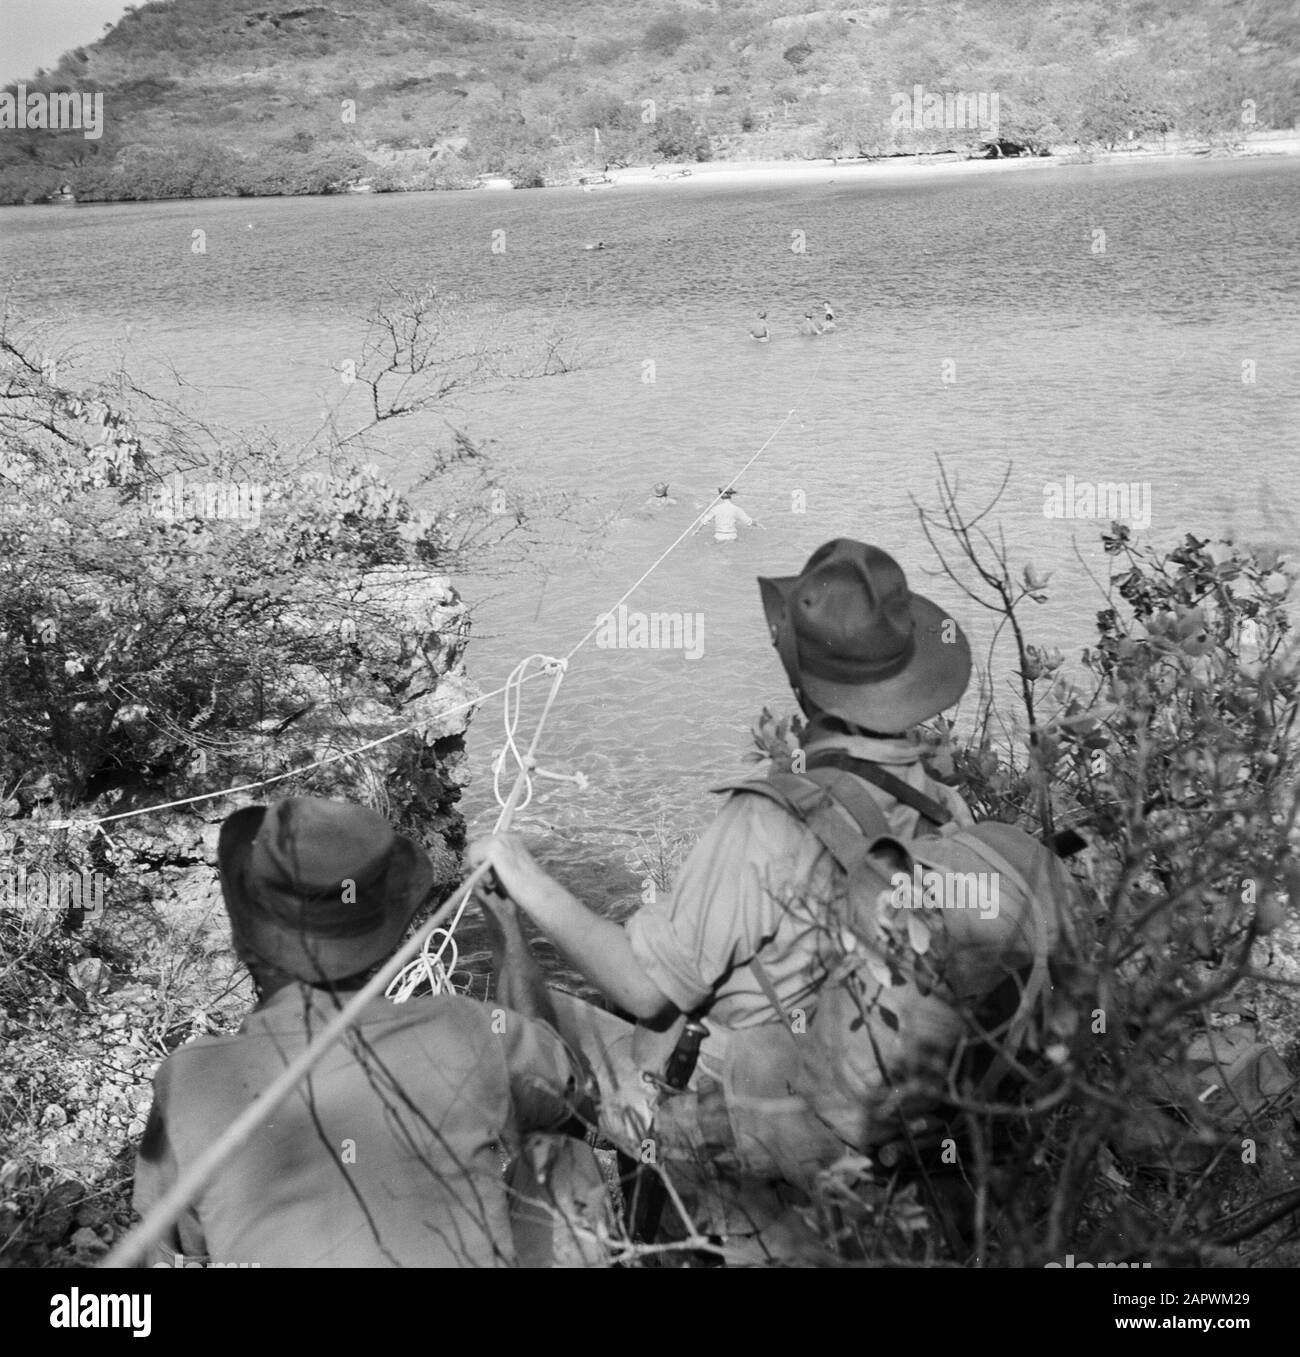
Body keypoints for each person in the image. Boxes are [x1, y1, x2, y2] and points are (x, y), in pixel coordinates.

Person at [469, 541, 992, 1250]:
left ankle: (598, 1241)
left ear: (803, 681)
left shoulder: (770, 819)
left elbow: (644, 988)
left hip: (749, 1120)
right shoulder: (945, 808)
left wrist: (521, 878)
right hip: (889, 1121)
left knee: (514, 1026)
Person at [133, 797, 605, 1268]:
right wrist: (506, 928)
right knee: (563, 1156)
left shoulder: (189, 1077)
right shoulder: (465, 1029)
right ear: (389, 932)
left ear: (243, 939)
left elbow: (176, 1244)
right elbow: (570, 1099)